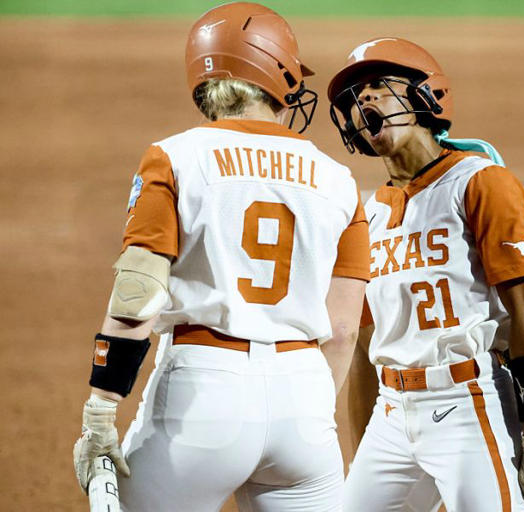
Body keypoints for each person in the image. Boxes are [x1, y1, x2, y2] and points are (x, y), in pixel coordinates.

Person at [72, 3, 369, 511]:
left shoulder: (174, 157)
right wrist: (312, 411)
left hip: (202, 398)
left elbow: (137, 295)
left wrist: (101, 410)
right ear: (278, 76)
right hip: (304, 401)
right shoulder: (338, 180)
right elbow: (342, 331)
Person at [327, 38, 524, 512]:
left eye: (379, 85)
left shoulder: (478, 183)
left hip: (468, 403)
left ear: (425, 94)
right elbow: (365, 344)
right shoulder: (369, 214)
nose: (364, 99)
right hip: (391, 415)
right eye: (355, 95)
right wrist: (364, 452)